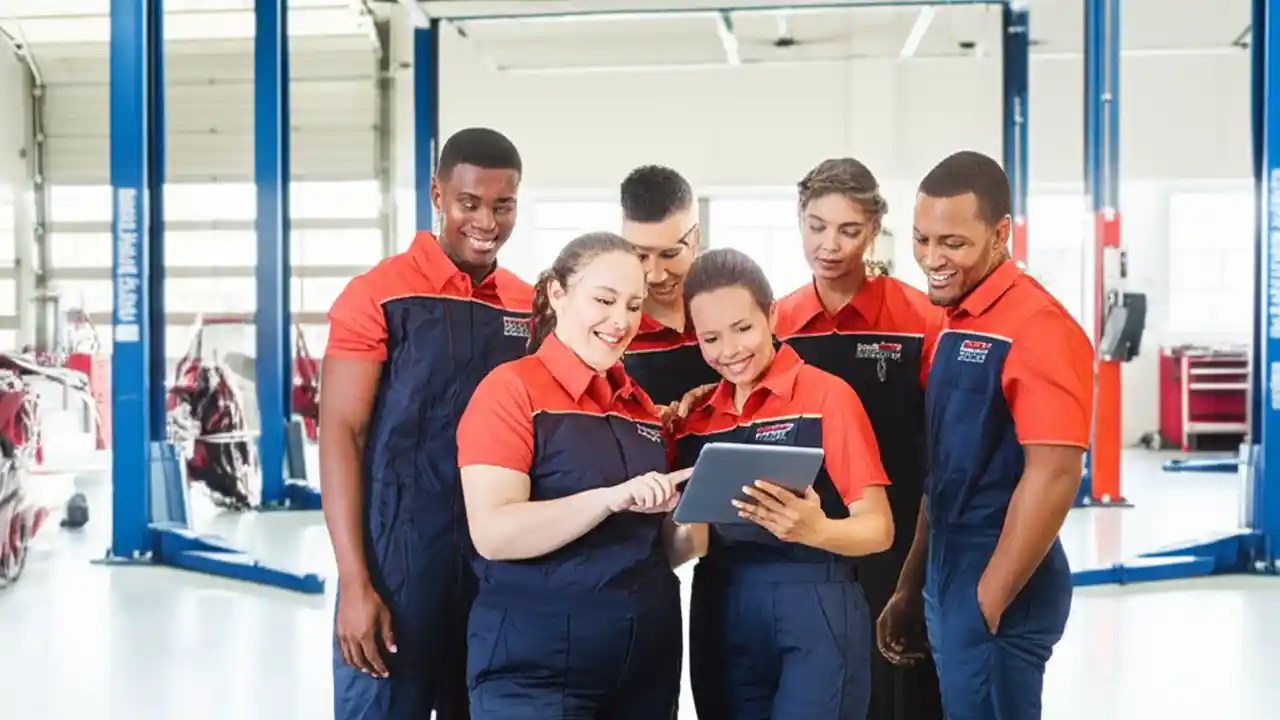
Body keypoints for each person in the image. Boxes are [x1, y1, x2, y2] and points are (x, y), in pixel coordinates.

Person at [320, 127, 532, 720]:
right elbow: (341, 433)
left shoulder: (527, 304)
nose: (486, 221)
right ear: (438, 195)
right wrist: (354, 581)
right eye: (469, 203)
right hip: (397, 558)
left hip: (494, 562)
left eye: (503, 205)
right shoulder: (377, 295)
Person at [878, 151, 1092, 720]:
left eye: (953, 242)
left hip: (1003, 576)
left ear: (1001, 235)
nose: (931, 258)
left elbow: (1055, 473)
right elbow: (944, 469)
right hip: (949, 568)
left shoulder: (1039, 327)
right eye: (922, 240)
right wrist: (911, 584)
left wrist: (986, 601)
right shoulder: (954, 323)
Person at [456, 232, 698, 719]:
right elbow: (494, 533)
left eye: (634, 306)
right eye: (604, 300)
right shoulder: (510, 392)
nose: (621, 321)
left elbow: (665, 550)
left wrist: (705, 511)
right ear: (558, 294)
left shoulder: (642, 410)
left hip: (644, 667)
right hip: (535, 672)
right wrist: (609, 499)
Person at [674, 247, 896, 719]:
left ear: (772, 314)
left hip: (815, 603)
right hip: (719, 608)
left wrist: (814, 530)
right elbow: (691, 535)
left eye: (743, 328)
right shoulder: (695, 420)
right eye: (711, 338)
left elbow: (879, 528)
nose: (729, 350)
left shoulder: (827, 397)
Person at [773, 157, 945, 720]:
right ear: (800, 221)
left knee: (895, 691)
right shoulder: (777, 323)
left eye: (849, 230)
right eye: (817, 226)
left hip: (894, 539)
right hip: (806, 540)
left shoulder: (918, 318)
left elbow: (943, 437)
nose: (830, 245)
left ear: (873, 231)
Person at [619, 164, 722, 405]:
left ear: (696, 240)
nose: (656, 275)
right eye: (641, 256)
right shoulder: (609, 328)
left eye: (670, 254)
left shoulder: (729, 313)